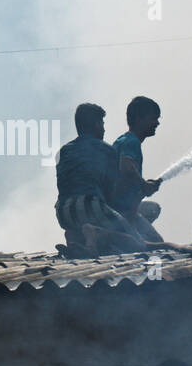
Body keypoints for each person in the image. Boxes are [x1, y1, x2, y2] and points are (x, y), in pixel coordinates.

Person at [54, 102, 145, 255]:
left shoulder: (64, 151)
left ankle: (76, 238)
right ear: (96, 125)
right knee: (136, 244)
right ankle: (96, 233)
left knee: (90, 225)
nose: (103, 128)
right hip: (90, 206)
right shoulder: (105, 149)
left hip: (63, 212)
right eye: (102, 123)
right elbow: (112, 193)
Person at [111, 96, 165, 242]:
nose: (157, 123)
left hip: (119, 209)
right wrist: (144, 185)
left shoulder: (123, 140)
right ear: (138, 119)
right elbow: (126, 167)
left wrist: (143, 187)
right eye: (153, 118)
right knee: (157, 242)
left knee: (154, 208)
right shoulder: (132, 142)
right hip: (123, 212)